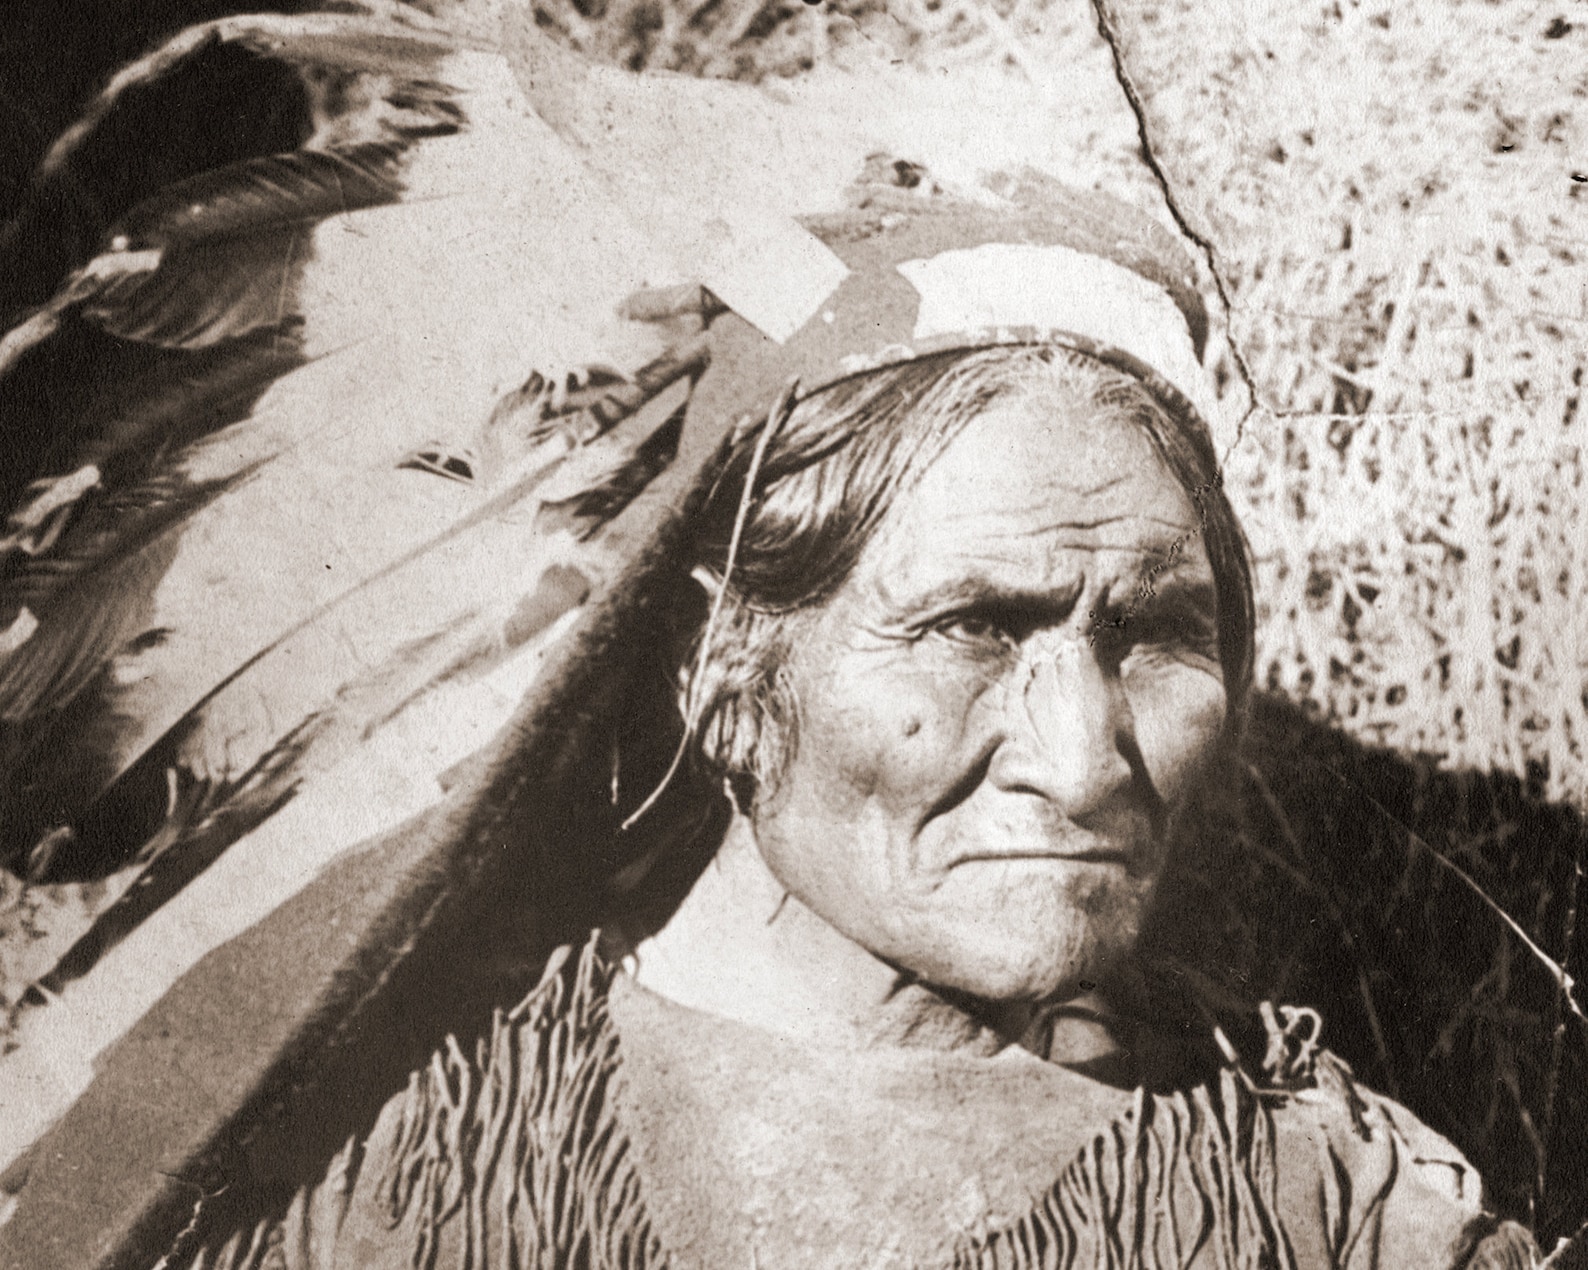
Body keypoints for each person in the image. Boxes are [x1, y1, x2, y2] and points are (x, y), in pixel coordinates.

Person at [175, 181, 1539, 1268]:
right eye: (972, 626)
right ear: (717, 658)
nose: (1080, 764)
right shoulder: (401, 1154)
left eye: (1152, 635)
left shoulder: (1318, 1203)